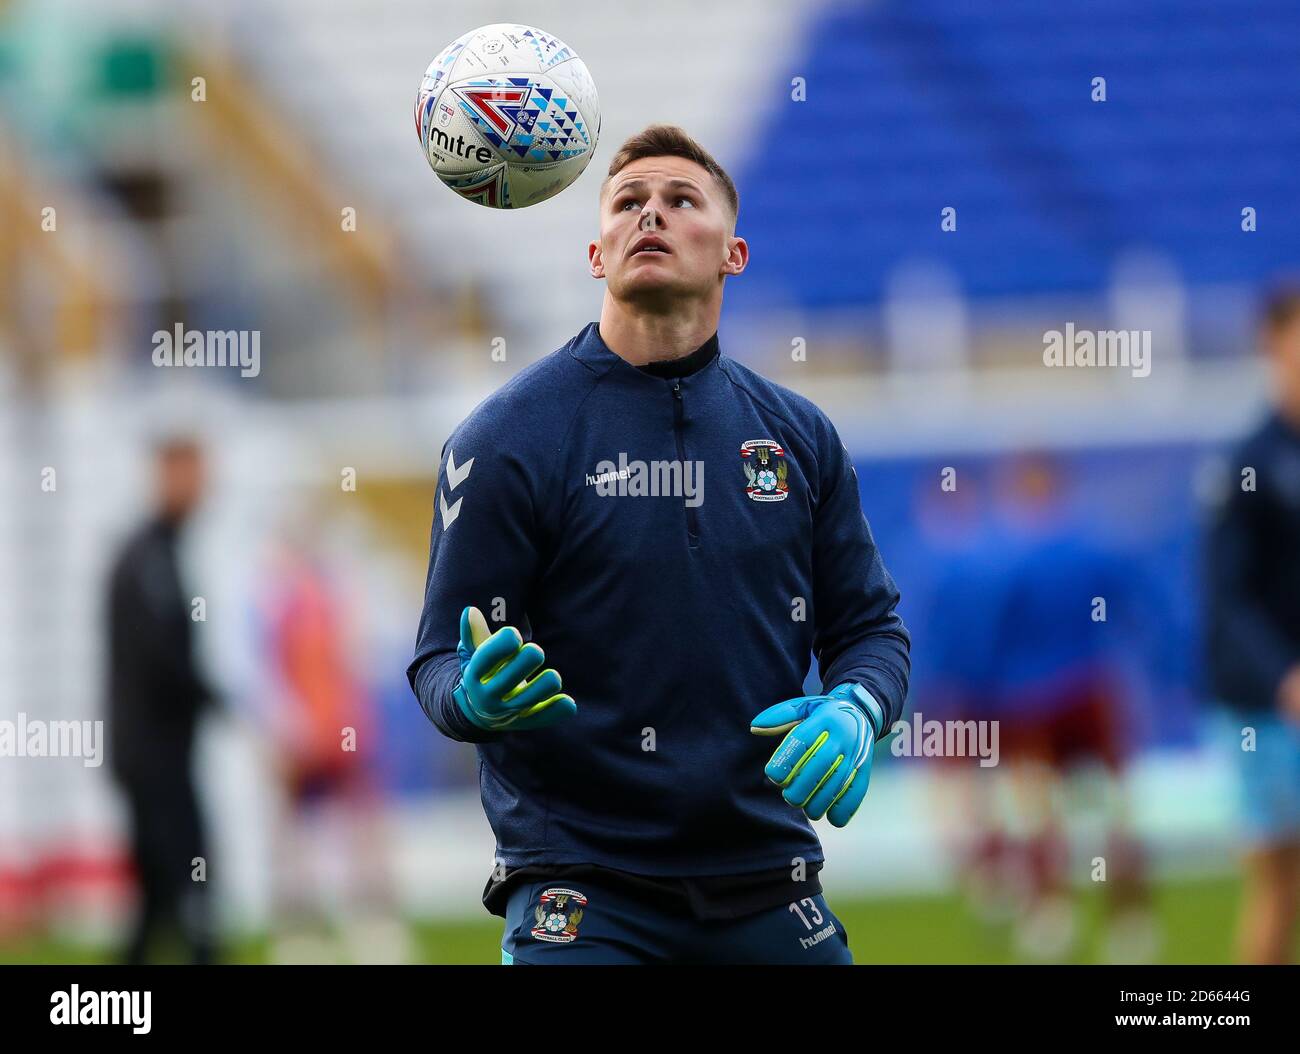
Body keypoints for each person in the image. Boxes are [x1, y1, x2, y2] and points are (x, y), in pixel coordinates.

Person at [408, 125, 911, 964]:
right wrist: (474, 701)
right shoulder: (505, 440)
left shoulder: (800, 439)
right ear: (597, 254)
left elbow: (870, 632)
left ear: (733, 253)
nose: (652, 214)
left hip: (768, 878)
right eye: (629, 202)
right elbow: (435, 661)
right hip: (582, 887)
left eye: (681, 200)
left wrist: (858, 709)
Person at [1207, 285, 1300, 964]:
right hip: (1265, 710)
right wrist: (1282, 679)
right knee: (1278, 880)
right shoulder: (1249, 462)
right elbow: (1225, 598)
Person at [106, 436, 217, 964]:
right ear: (168, 473)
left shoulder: (161, 550)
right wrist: (220, 700)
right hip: (154, 757)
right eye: (194, 472)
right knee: (191, 875)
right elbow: (163, 660)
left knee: (154, 896)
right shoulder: (147, 555)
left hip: (157, 752)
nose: (204, 487)